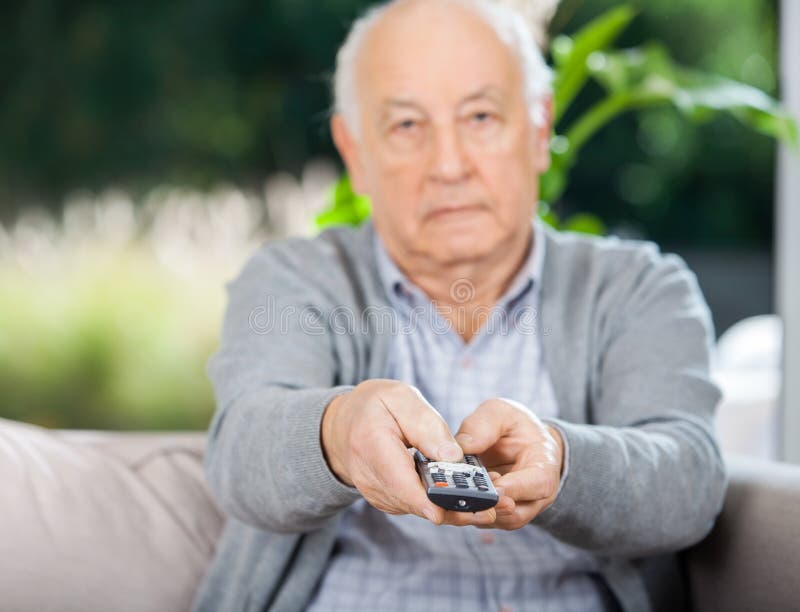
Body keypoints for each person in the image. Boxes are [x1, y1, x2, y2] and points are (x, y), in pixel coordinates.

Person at [191, 1, 726, 610]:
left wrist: (564, 463)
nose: (448, 166)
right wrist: (336, 432)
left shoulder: (639, 289)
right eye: (407, 127)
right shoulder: (293, 280)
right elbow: (240, 452)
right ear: (355, 152)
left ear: (539, 129)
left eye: (479, 116)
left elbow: (689, 481)